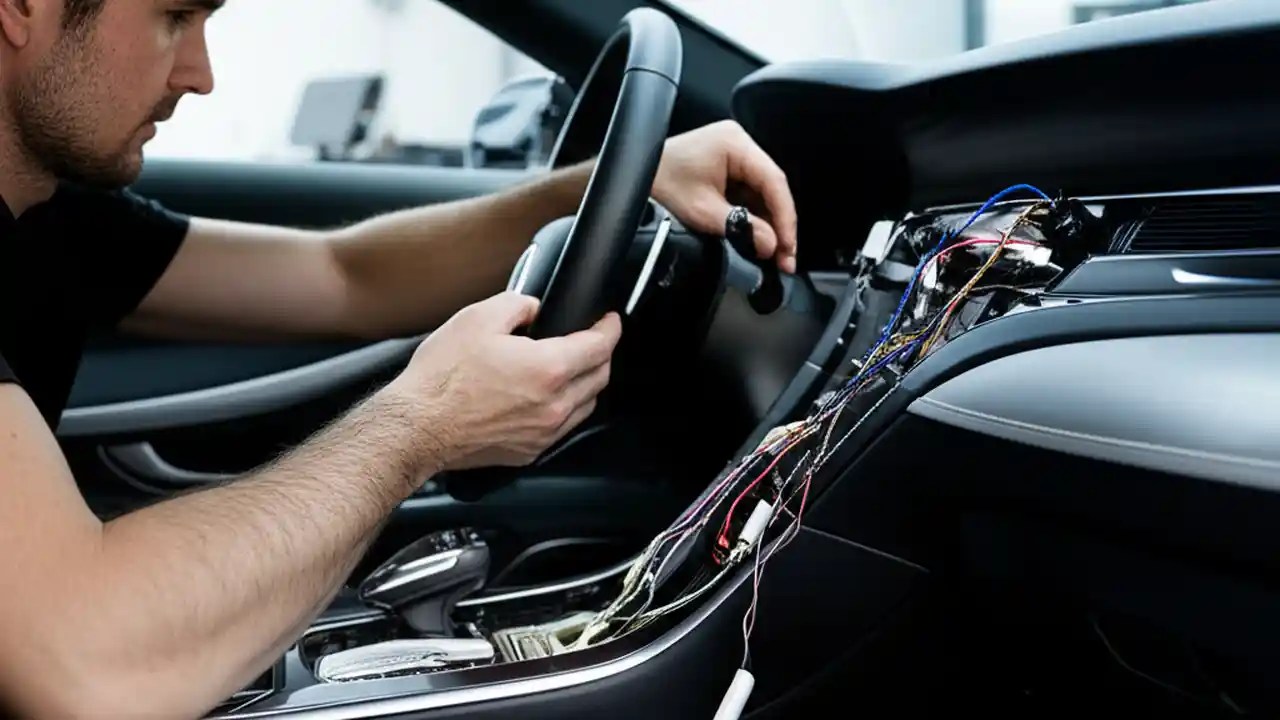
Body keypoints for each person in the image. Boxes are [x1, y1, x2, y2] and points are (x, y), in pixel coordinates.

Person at [0, 1, 799, 717]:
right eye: (174, 16)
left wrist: (616, 183)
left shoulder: (50, 214)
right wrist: (424, 422)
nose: (201, 74)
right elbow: (85, 664)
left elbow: (342, 277)